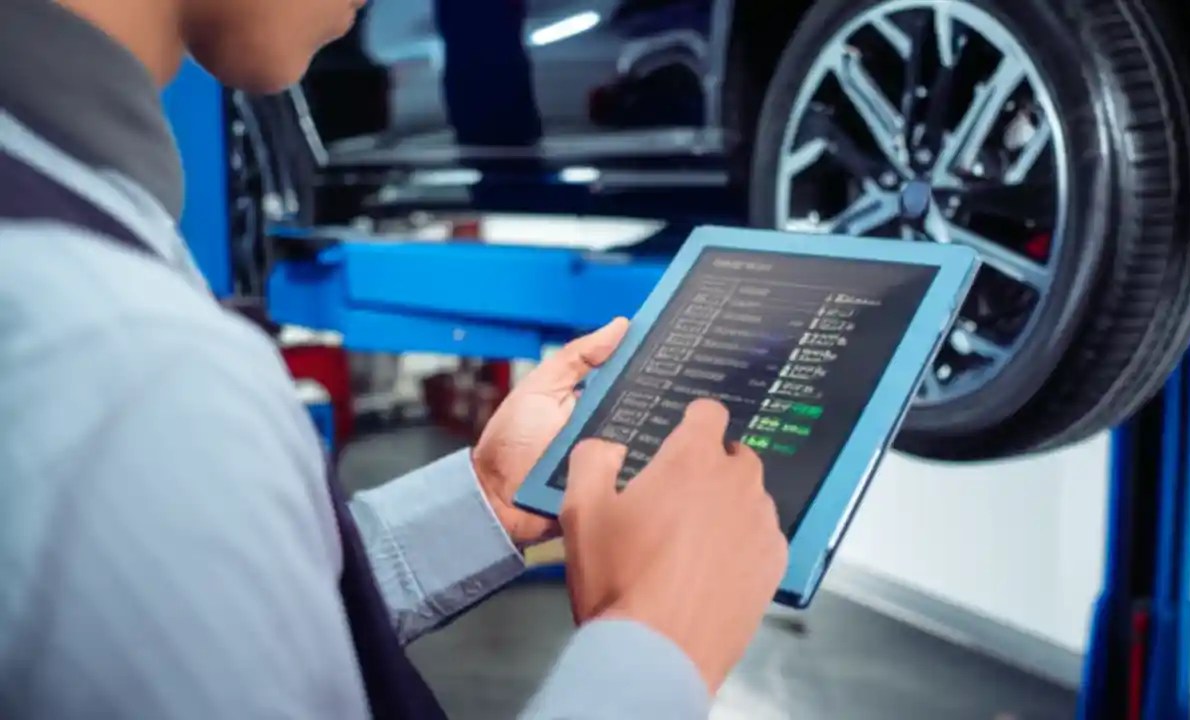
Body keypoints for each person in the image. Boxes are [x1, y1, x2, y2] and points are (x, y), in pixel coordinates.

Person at [0, 1, 788, 718]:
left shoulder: (68, 231)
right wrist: (654, 646)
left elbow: (226, 624)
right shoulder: (132, 366)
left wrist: (484, 498)